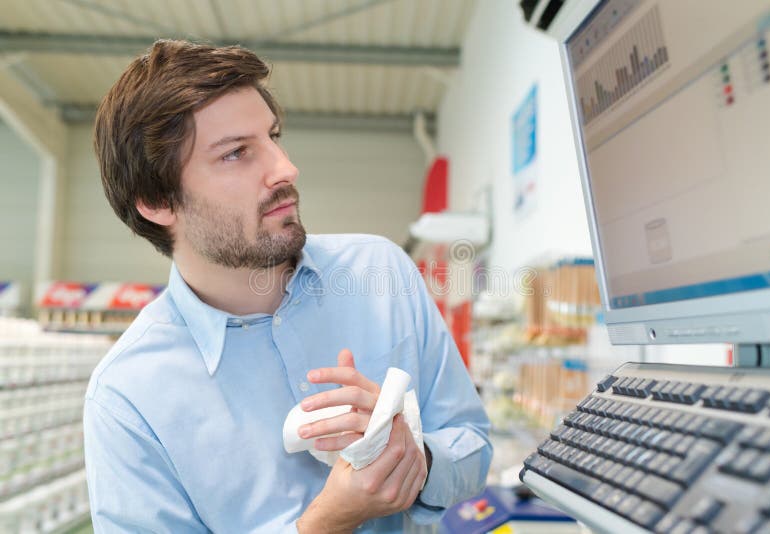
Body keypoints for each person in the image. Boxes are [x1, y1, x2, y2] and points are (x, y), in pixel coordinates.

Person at [84, 39, 492, 533]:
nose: (284, 169)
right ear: (156, 201)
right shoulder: (128, 397)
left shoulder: (382, 273)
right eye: (237, 153)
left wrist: (416, 458)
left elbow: (472, 445)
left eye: (273, 137)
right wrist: (326, 521)